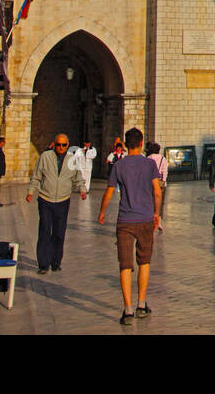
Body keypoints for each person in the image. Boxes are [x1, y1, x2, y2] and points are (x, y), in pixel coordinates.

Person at [97, 127, 163, 324]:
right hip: (144, 219)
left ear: (125, 144)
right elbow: (157, 192)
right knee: (144, 262)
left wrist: (102, 212)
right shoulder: (149, 164)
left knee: (125, 265)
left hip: (125, 220)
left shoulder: (119, 165)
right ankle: (141, 304)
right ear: (142, 144)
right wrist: (157, 213)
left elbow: (109, 192)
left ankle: (127, 310)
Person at [26, 133, 88, 274]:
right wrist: (30, 191)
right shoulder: (45, 157)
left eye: (64, 145)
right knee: (45, 231)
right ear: (54, 144)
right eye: (58, 144)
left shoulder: (72, 160)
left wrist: (82, 190)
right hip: (45, 199)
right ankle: (43, 264)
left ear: (67, 145)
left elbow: (78, 177)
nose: (61, 147)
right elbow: (37, 175)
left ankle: (56, 262)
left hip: (62, 200)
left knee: (59, 233)